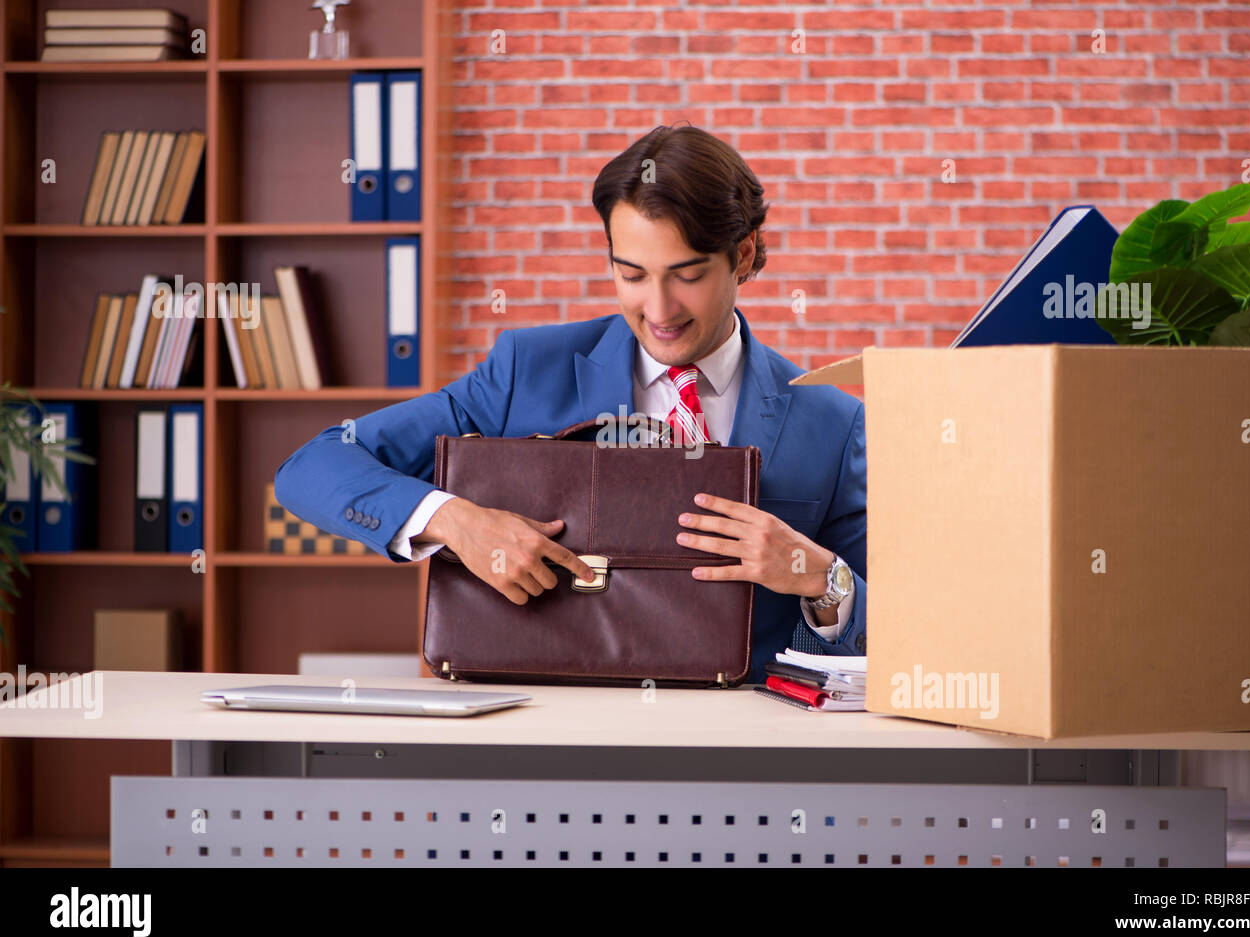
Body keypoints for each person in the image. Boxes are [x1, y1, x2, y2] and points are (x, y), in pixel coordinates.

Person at [274, 124, 865, 683]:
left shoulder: (832, 423)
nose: (658, 310)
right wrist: (455, 521)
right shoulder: (524, 372)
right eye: (631, 275)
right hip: (545, 742)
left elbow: (901, 634)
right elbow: (314, 466)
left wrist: (822, 580)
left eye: (685, 275)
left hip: (741, 754)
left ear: (742, 255)